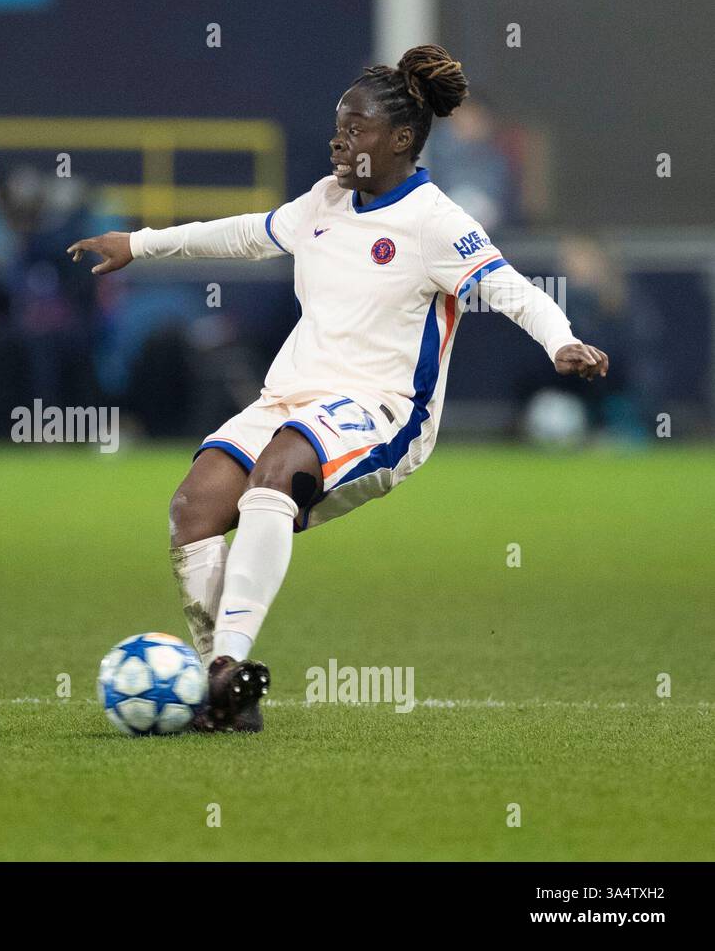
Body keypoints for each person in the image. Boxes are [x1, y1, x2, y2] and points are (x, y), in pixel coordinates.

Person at [68, 46, 608, 733]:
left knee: (276, 474)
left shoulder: (435, 222)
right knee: (193, 507)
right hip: (291, 397)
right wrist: (139, 245)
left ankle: (229, 662)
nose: (338, 139)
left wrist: (560, 339)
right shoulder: (326, 199)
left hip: (381, 412)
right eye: (338, 125)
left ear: (402, 140)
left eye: (354, 128)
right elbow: (245, 235)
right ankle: (222, 690)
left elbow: (511, 289)